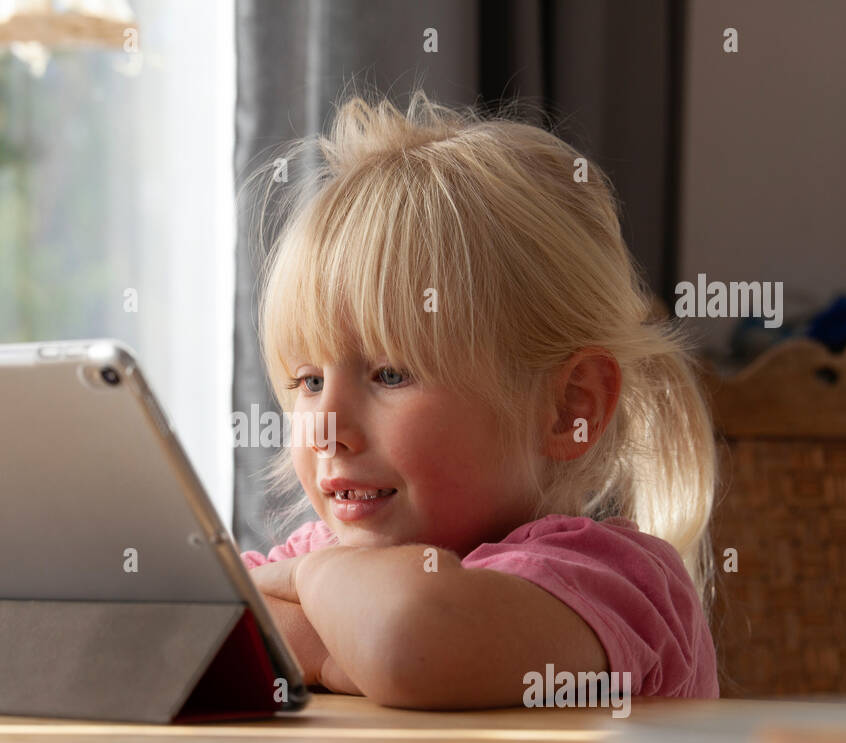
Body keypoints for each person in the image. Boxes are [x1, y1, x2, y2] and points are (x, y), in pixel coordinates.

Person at [239, 89, 719, 709]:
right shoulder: (331, 554)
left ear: (569, 408)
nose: (326, 429)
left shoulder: (619, 586)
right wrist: (330, 638)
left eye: (389, 375)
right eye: (308, 382)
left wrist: (311, 605)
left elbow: (412, 642)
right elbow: (191, 635)